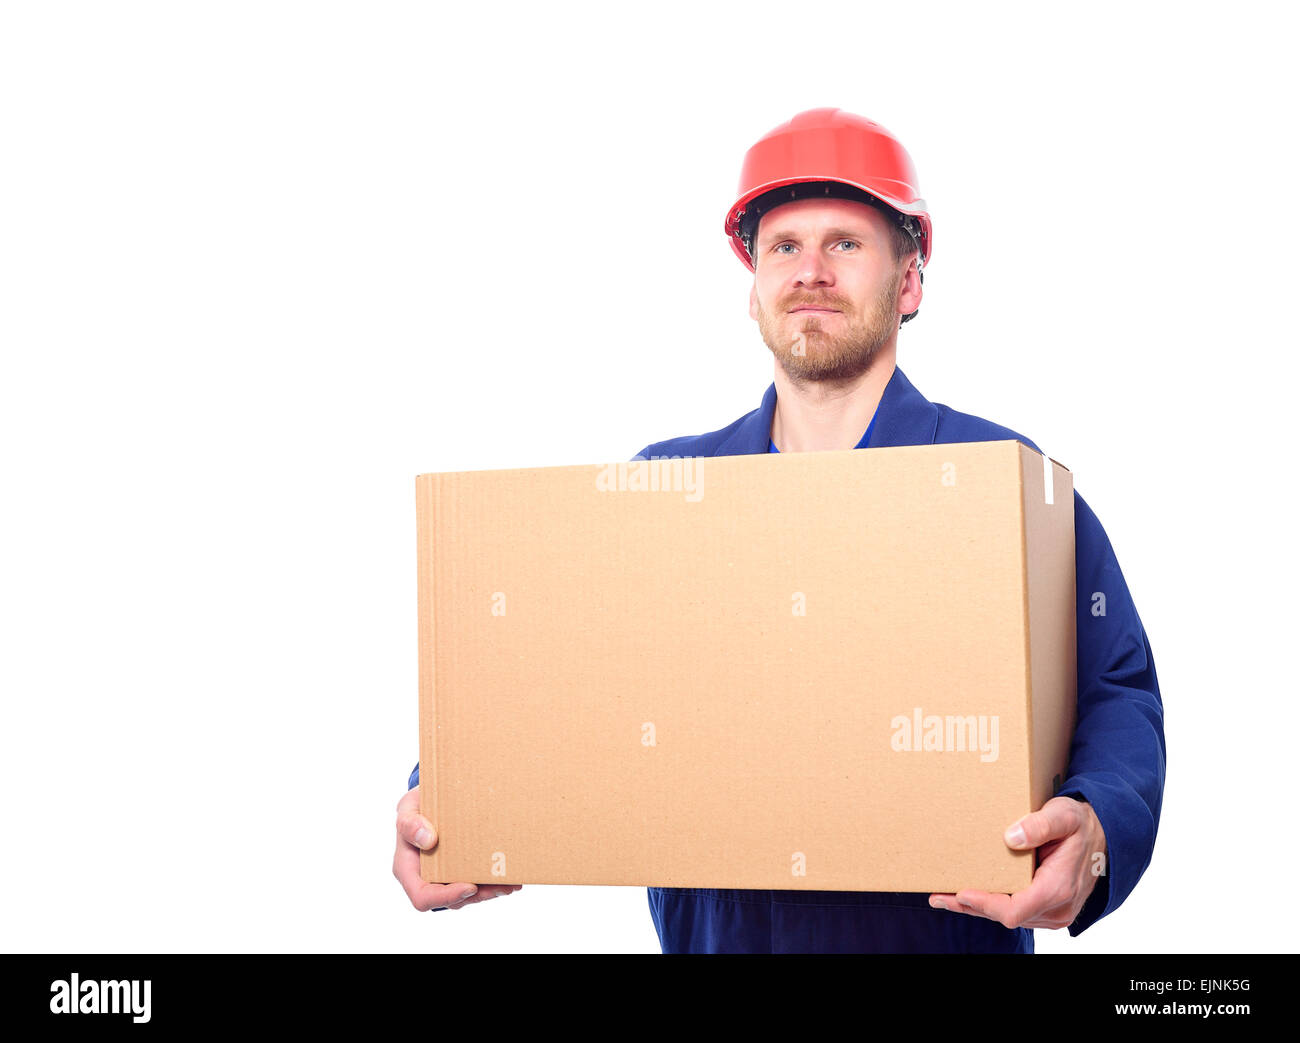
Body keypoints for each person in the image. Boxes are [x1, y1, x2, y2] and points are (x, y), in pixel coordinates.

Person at [393, 108, 1166, 952]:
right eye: (784, 247)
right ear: (754, 285)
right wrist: (448, 797)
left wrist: (1095, 829)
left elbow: (1115, 688)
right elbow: (551, 673)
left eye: (845, 243)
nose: (811, 271)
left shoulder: (998, 480)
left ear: (908, 283)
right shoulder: (665, 488)